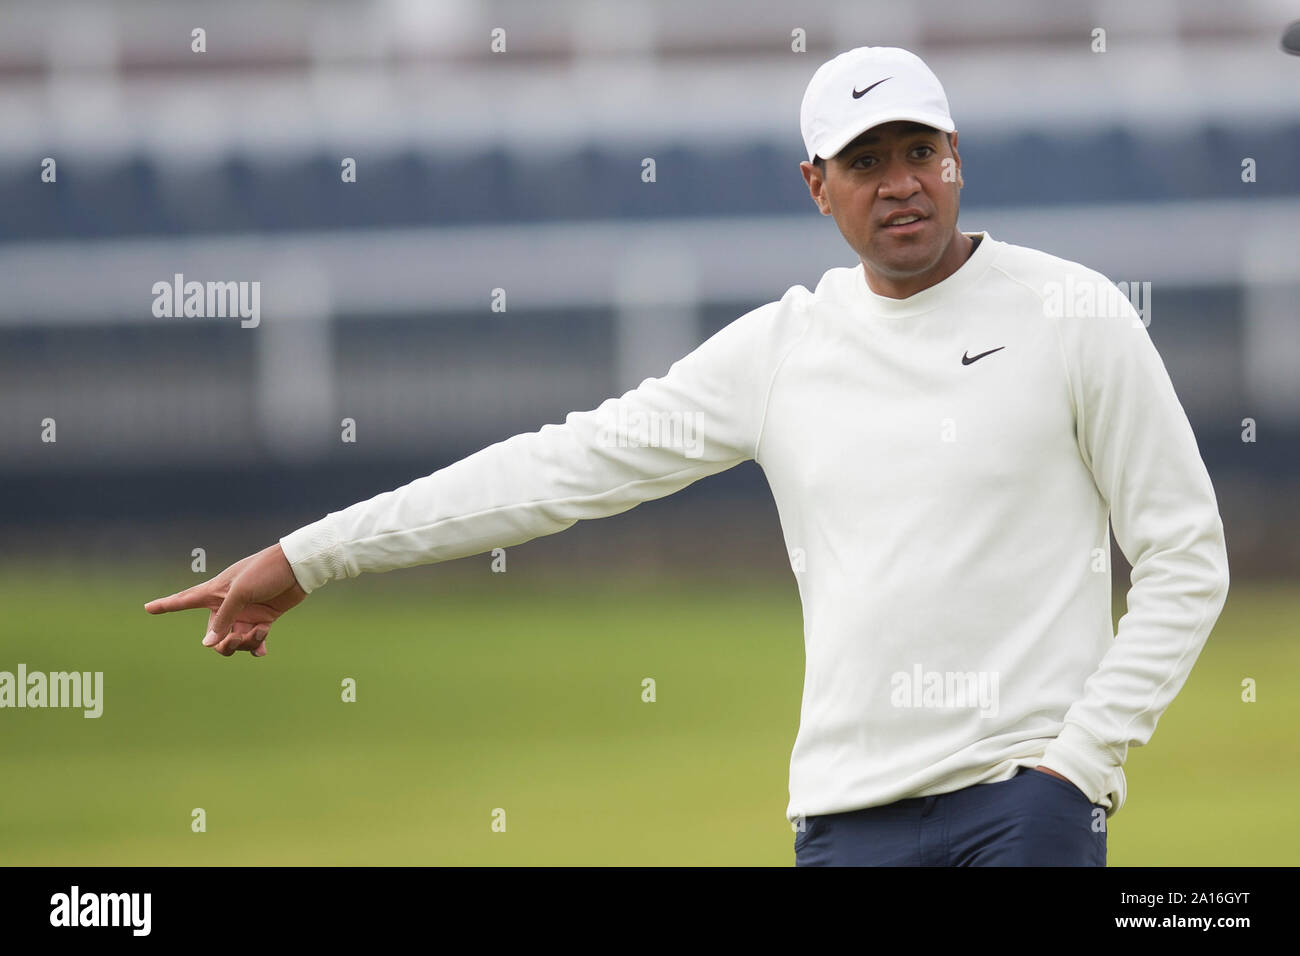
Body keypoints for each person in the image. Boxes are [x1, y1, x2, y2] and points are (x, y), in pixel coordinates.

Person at [145, 46, 1230, 866]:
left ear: (956, 161)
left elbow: (1184, 556)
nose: (898, 182)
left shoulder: (1074, 314)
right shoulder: (781, 350)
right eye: (865, 161)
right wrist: (310, 555)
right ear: (817, 185)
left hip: (1022, 806)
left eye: (918, 153)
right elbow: (555, 468)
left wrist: (1076, 768)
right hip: (844, 820)